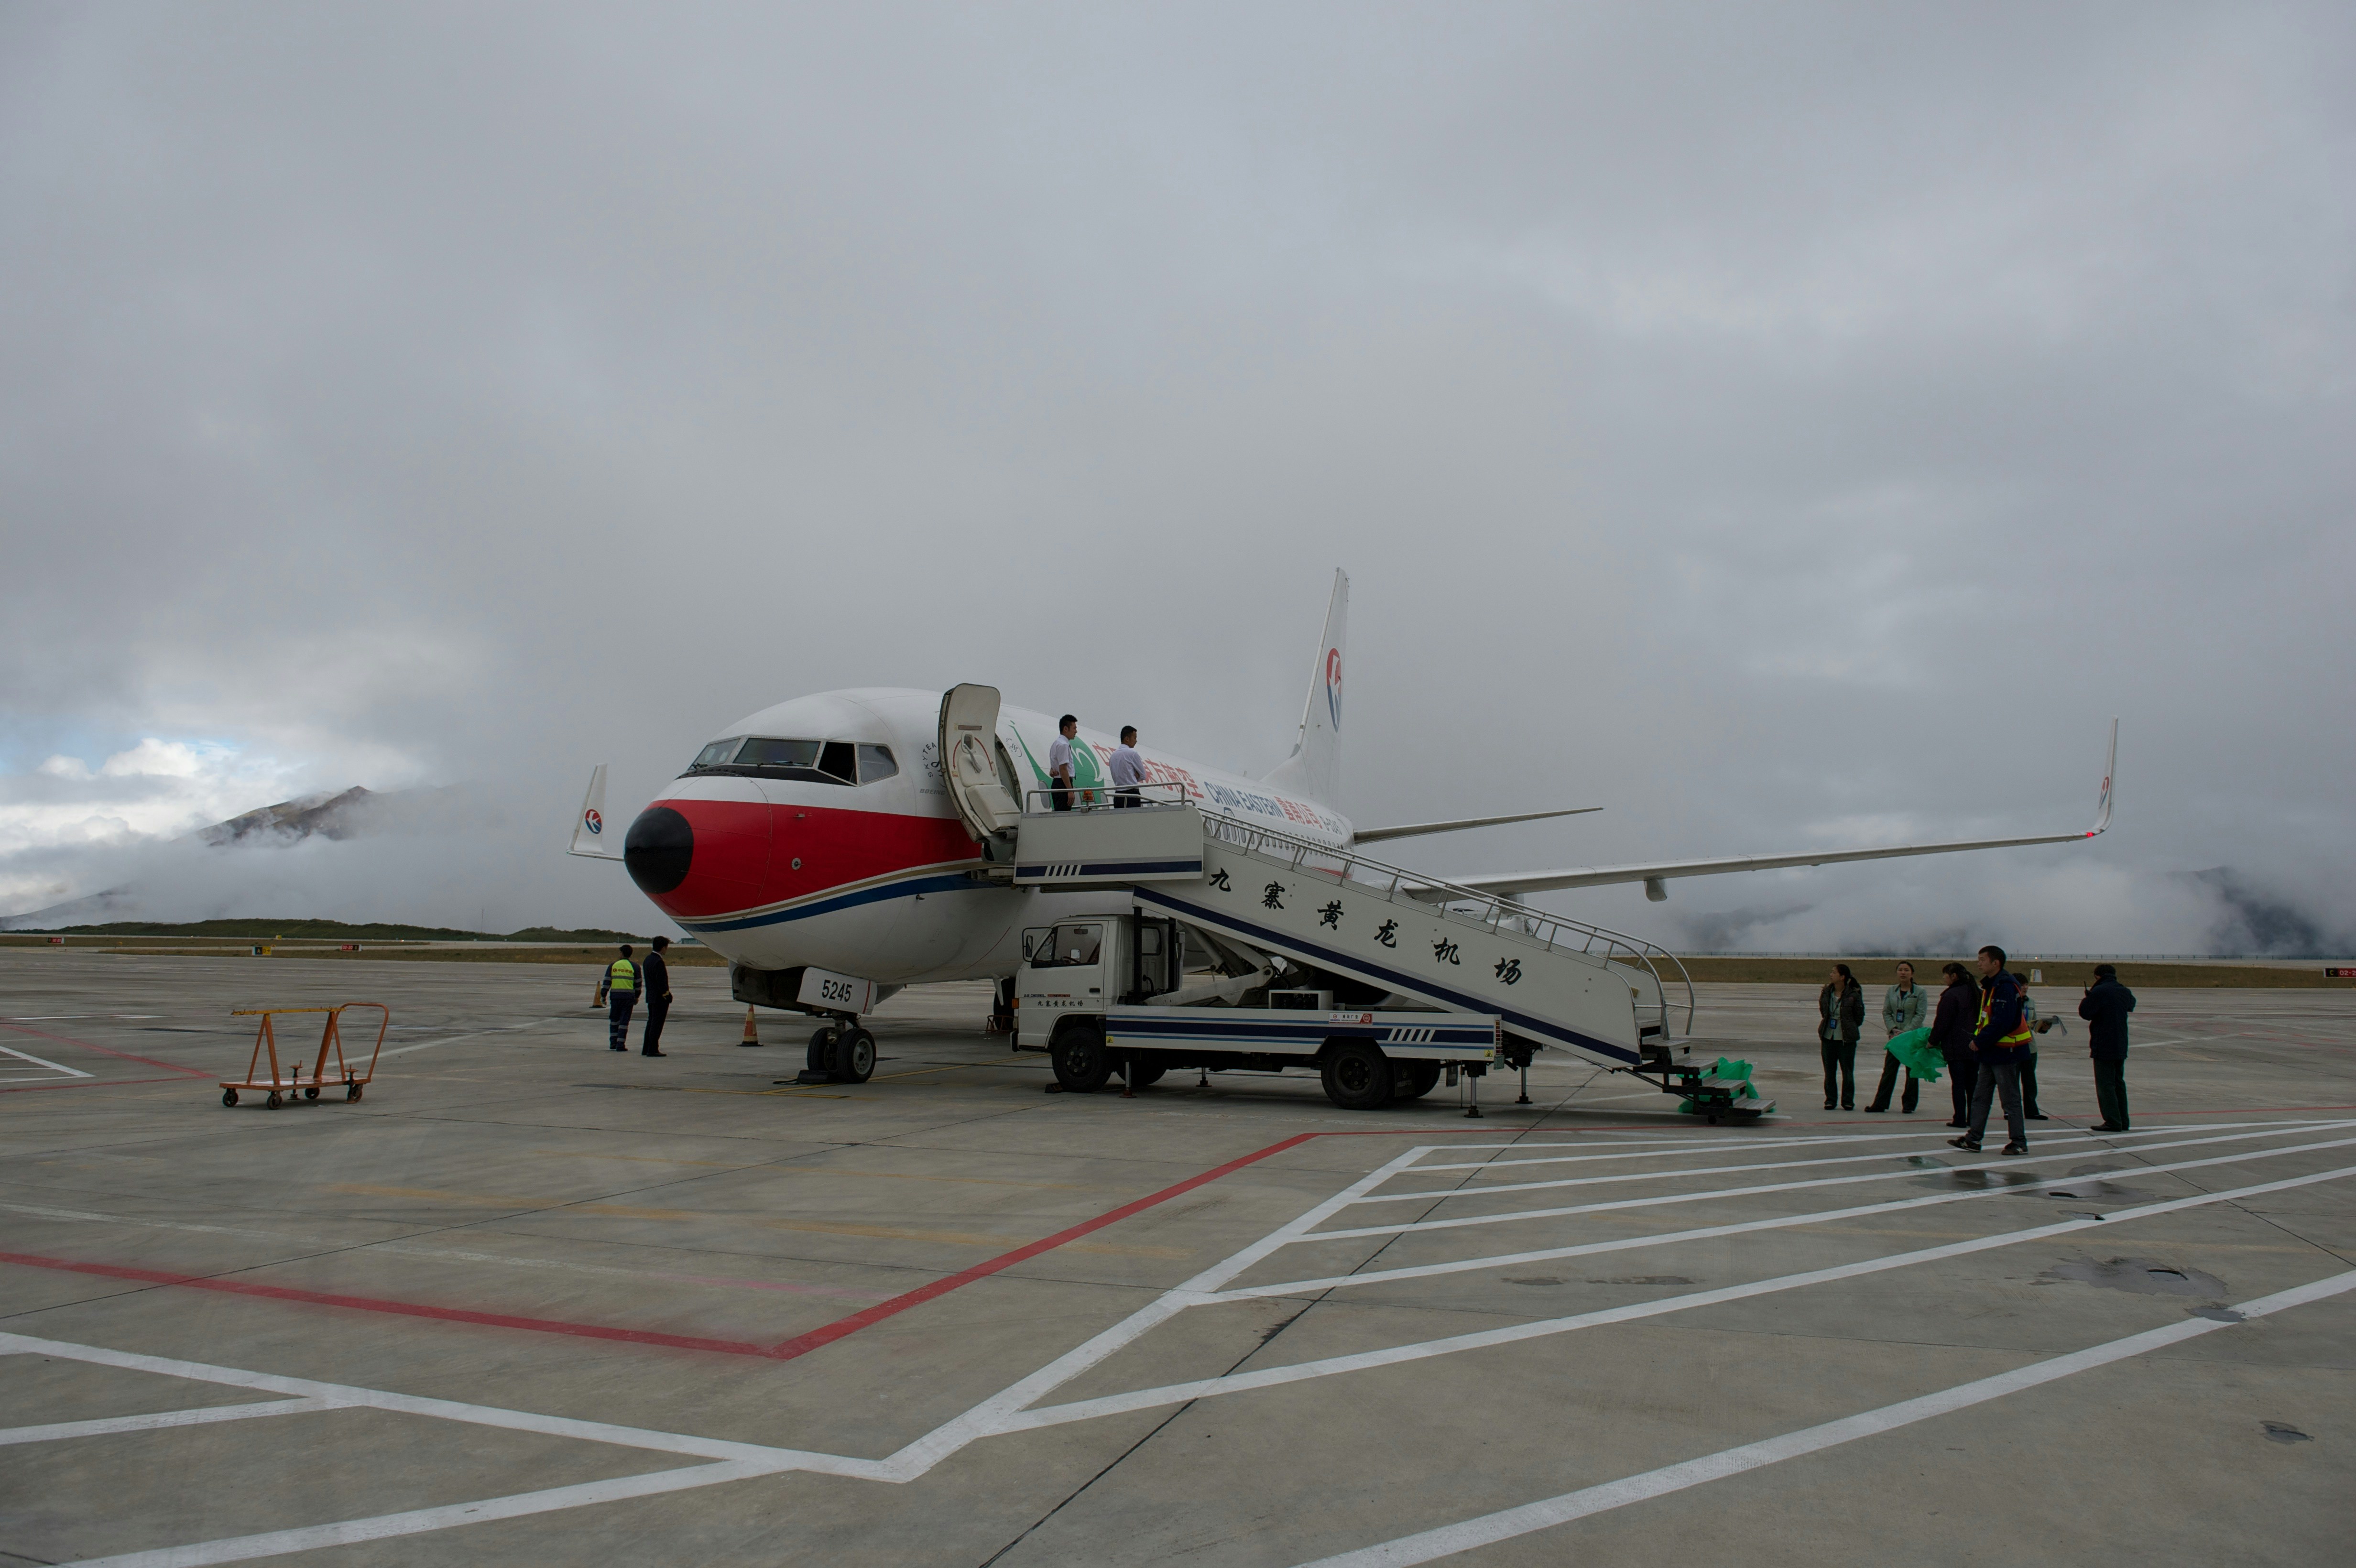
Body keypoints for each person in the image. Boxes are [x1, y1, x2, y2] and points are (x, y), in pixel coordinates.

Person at [1952, 944, 2031, 1155]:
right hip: (1991, 1052)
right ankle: (1974, 1138)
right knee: (1980, 1097)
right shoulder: (1992, 985)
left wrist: (1980, 1041)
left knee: (2010, 1100)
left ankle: (2019, 1142)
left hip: (2005, 1053)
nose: (1979, 964)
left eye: (1982, 960)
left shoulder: (2005, 986)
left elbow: (2002, 1022)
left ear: (1995, 963)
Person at [2078, 963, 2138, 1131]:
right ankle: (2123, 1121)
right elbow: (2131, 1005)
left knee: (2106, 1085)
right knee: (2118, 1083)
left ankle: (2112, 1121)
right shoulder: (2124, 990)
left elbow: (2085, 1013)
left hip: (2104, 1043)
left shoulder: (2099, 992)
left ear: (2098, 977)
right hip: (2121, 1043)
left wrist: (2089, 997)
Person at [1865, 960, 1928, 1113]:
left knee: (1912, 1072)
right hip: (1895, 1038)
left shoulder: (1920, 992)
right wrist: (1892, 1029)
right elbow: (1886, 1012)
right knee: (1889, 1071)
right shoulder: (1892, 990)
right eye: (1900, 970)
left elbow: (1920, 1014)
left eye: (1906, 970)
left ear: (1912, 973)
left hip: (1911, 1038)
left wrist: (1906, 1032)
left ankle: (1909, 1105)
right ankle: (1880, 1103)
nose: (1903, 973)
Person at [1928, 961, 1979, 1128]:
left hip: (1956, 1047)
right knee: (1972, 1084)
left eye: (1946, 975)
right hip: (1975, 1045)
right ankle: (1974, 1118)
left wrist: (1932, 1041)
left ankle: (1959, 1119)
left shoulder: (1951, 996)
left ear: (1954, 976)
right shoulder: (1978, 993)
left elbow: (1942, 1023)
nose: (1944, 979)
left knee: (1958, 1084)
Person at [1818, 963, 1865, 1110]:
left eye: (1834, 973)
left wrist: (1848, 1025)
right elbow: (1823, 1011)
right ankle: (1831, 1099)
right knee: (1830, 1071)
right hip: (1828, 1037)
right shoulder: (1826, 992)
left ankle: (1848, 1101)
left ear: (1842, 977)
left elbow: (1859, 1017)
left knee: (1848, 1071)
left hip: (1846, 1039)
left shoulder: (1853, 994)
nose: (1831, 975)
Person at [2014, 973, 2048, 1120]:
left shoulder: (2031, 1002)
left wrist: (2044, 1027)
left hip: (2030, 1047)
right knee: (2012, 1081)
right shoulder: (2008, 1001)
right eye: (2022, 985)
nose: (2026, 987)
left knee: (2029, 1081)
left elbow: (2034, 1024)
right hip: (2013, 1047)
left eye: (2027, 984)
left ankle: (2032, 1111)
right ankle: (2011, 1110)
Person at [639, 936, 674, 1056]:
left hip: (651, 996)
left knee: (651, 1022)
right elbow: (661, 982)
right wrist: (667, 995)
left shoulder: (648, 959)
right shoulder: (659, 961)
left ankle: (647, 1048)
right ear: (663, 948)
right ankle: (653, 1049)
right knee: (657, 1024)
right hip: (660, 998)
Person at [602, 943, 640, 1052]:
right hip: (628, 998)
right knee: (624, 1022)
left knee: (614, 1020)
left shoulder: (613, 965)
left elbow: (607, 982)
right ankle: (621, 1044)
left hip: (615, 997)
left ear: (621, 953)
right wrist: (637, 996)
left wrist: (603, 995)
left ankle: (613, 1043)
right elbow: (638, 984)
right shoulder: (635, 967)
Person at [1110, 725, 1146, 807]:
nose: (1136, 741)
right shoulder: (1132, 754)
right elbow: (1144, 776)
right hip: (1132, 794)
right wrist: (1133, 776)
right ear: (1127, 739)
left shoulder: (1113, 756)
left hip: (1118, 795)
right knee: (1133, 819)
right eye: (1135, 738)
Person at [1048, 714, 1078, 811]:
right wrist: (1070, 790)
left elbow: (1055, 766)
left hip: (1058, 782)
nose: (1076, 731)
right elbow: (1063, 768)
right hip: (1063, 783)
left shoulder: (1056, 743)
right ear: (1066, 729)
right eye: (1074, 728)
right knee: (1064, 814)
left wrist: (1052, 771)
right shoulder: (1064, 745)